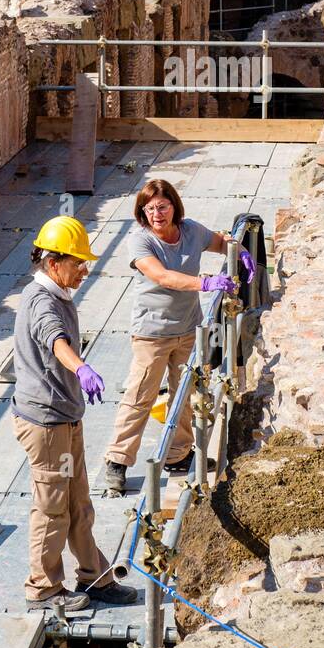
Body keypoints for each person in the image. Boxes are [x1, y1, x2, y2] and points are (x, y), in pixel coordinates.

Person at [11, 217, 137, 611]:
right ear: (53, 263)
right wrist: (80, 367)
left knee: (78, 502)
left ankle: (93, 577)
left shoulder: (59, 294)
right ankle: (43, 588)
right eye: (78, 263)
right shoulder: (41, 302)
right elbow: (55, 339)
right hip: (46, 423)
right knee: (52, 507)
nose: (85, 270)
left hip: (65, 416)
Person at [103, 180, 254, 495]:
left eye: (162, 206)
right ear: (142, 213)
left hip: (187, 329)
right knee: (140, 395)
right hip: (153, 333)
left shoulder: (190, 231)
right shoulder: (140, 242)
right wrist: (206, 283)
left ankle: (178, 455)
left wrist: (239, 251)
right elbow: (162, 276)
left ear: (174, 206)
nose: (157, 214)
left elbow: (218, 240)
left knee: (185, 393)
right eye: (150, 209)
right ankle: (117, 461)